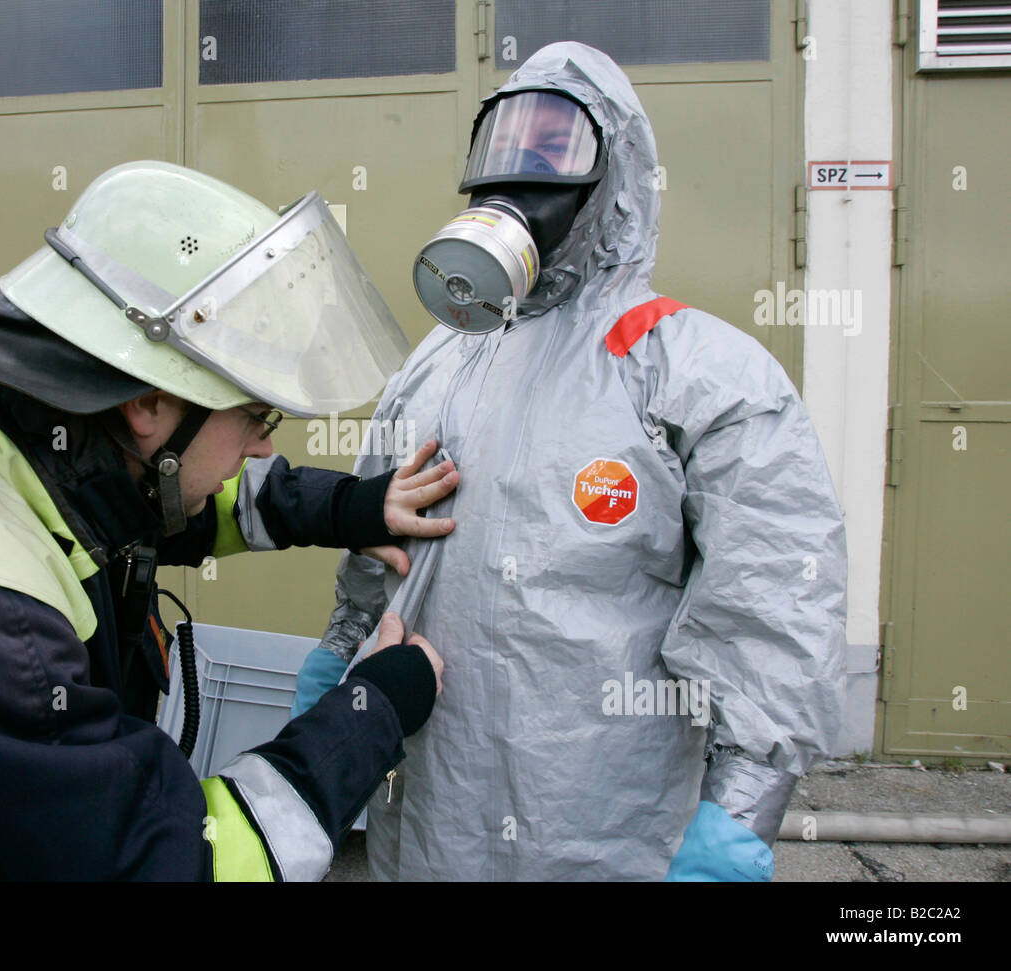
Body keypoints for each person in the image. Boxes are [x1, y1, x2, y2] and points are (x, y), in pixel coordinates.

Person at [0, 160, 458, 881]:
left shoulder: (33, 438)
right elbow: (168, 864)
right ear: (147, 403)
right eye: (255, 414)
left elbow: (182, 504)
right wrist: (368, 712)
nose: (265, 443)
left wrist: (353, 506)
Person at [292, 42, 848, 881]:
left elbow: (773, 610)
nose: (519, 176)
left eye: (554, 152)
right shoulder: (437, 364)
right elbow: (379, 543)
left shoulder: (696, 374)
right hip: (431, 819)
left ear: (616, 178)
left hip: (605, 828)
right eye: (504, 150)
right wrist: (336, 658)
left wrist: (736, 818)